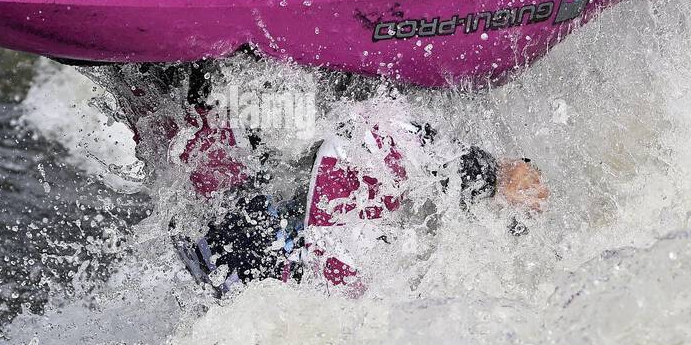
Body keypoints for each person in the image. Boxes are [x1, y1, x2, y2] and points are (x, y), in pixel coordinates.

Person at [99, 60, 549, 297]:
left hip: (267, 287)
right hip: (288, 293)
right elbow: (378, 131)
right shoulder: (342, 298)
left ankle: (139, 62)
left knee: (177, 131)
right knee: (368, 127)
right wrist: (491, 173)